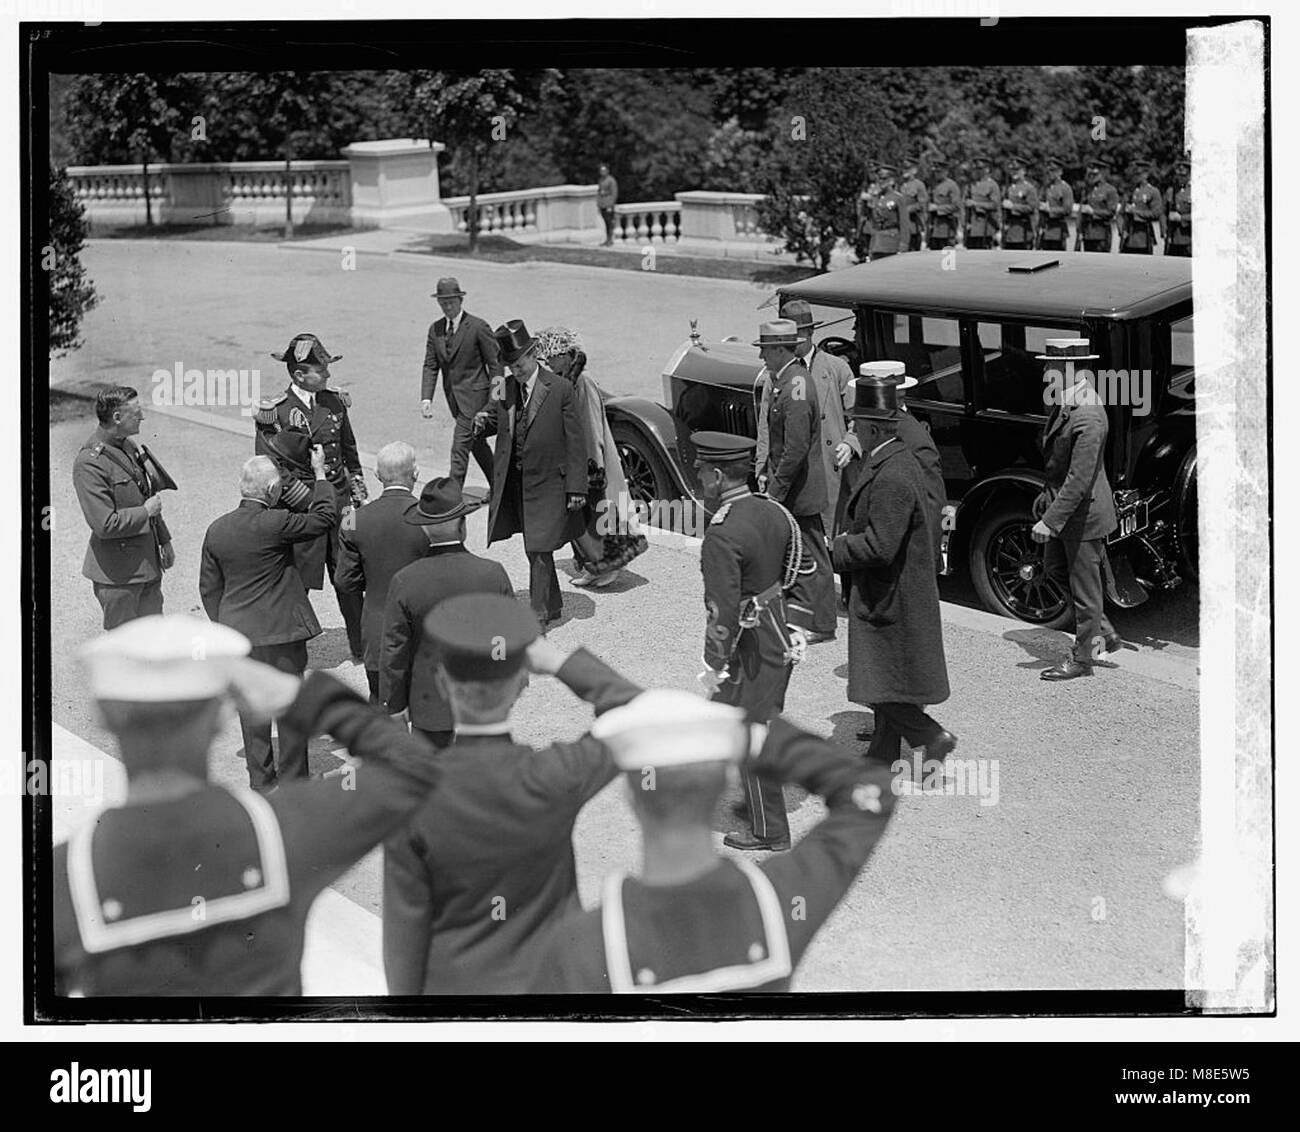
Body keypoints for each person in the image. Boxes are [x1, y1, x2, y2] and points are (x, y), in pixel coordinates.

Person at [53, 614, 446, 997]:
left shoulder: (60, 877)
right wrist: (297, 694)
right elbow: (413, 769)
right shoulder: (284, 832)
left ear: (102, 717)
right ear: (222, 717)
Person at [530, 689, 898, 993]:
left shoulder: (580, 948)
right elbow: (872, 790)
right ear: (726, 782)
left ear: (629, 796)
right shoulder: (779, 904)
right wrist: (753, 738)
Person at [381, 594, 642, 994]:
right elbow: (637, 712)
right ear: (522, 682)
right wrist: (556, 662)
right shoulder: (554, 775)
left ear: (442, 683)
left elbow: (404, 937)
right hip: (552, 990)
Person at [694, 431, 815, 852]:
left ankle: (770, 830)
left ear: (714, 476)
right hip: (777, 627)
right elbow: (806, 567)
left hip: (751, 640)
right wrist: (797, 624)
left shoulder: (722, 533)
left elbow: (721, 609)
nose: (698, 481)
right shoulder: (774, 511)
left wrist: (714, 661)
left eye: (700, 473)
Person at [831, 377, 956, 770]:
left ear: (871, 428)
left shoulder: (891, 474)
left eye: (856, 425)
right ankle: (882, 756)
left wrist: (833, 548)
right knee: (889, 675)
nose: (853, 431)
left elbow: (879, 546)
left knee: (877, 680)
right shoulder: (895, 459)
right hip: (894, 590)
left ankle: (930, 736)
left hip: (891, 593)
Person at [199, 453, 336, 791]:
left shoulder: (217, 529)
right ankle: (293, 781)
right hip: (282, 632)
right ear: (273, 489)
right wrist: (319, 474)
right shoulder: (277, 522)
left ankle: (261, 781)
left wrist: (227, 625)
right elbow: (325, 517)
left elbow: (208, 587)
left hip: (239, 633)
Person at [254, 332, 366, 661]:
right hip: (302, 508)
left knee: (350, 575)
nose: (328, 374)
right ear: (300, 374)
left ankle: (361, 646)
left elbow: (348, 448)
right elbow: (272, 465)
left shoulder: (334, 401)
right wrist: (309, 501)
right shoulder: (275, 411)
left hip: (343, 505)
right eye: (322, 369)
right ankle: (289, 649)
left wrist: (357, 481)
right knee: (298, 579)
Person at [379, 479, 513, 749]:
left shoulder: (406, 581)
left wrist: (394, 705)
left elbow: (394, 651)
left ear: (425, 530)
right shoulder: (492, 573)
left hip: (428, 702)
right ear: (463, 526)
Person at [473, 319, 587, 626]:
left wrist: (577, 488)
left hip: (551, 483)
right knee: (534, 547)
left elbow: (577, 442)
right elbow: (499, 422)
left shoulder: (561, 388)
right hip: (518, 484)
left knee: (538, 548)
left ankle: (536, 618)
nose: (516, 370)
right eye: (510, 365)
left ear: (534, 353)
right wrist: (483, 420)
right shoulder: (507, 388)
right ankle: (553, 605)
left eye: (520, 363)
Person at [1032, 339, 1121, 680]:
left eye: (1049, 365)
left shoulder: (1088, 414)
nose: (1044, 371)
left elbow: (1079, 479)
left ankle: (1083, 660)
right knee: (1055, 570)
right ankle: (1104, 632)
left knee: (1085, 593)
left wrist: (1050, 522)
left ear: (1067, 370)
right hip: (1066, 510)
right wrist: (1047, 500)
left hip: (1083, 516)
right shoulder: (1068, 401)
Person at [534, 325, 648, 587]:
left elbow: (590, 424)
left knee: (600, 512)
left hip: (590, 460)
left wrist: (593, 464)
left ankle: (607, 565)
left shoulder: (582, 383)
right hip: (579, 459)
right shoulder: (567, 382)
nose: (548, 362)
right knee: (587, 516)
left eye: (552, 357)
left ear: (566, 355)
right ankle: (596, 565)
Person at [752, 319, 832, 644]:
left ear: (781, 349)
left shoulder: (795, 385)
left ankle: (821, 624)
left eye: (766, 351)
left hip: (799, 490)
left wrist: (775, 491)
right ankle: (806, 618)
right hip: (793, 487)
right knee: (800, 554)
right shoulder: (785, 379)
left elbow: (795, 448)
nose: (762, 358)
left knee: (812, 554)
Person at [335, 442, 432, 703]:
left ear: (377, 476)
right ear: (416, 473)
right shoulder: (430, 517)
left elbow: (345, 581)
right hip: (427, 632)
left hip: (379, 629)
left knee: (383, 706)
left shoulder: (355, 520)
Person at [72, 386, 174, 629]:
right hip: (118, 578)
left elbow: (145, 495)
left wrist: (164, 539)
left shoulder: (128, 446)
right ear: (117, 418)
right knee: (124, 652)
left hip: (148, 567)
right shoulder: (89, 464)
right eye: (136, 412)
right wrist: (146, 512)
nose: (142, 417)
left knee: (153, 644)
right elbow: (104, 524)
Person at [419, 277, 501, 488]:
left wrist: (495, 401)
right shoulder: (435, 329)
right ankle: (500, 487)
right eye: (443, 302)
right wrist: (426, 398)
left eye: (451, 302)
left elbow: (496, 366)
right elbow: (430, 365)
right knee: (476, 444)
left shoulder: (477, 326)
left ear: (460, 300)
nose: (447, 307)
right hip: (455, 401)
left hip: (477, 400)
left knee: (459, 449)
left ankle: (452, 498)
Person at [1120, 158, 1164, 255]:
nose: (1135, 177)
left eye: (1138, 174)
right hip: (1128, 236)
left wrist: (1135, 212)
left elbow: (1156, 213)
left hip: (1143, 236)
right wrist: (1121, 230)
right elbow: (1121, 213)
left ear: (1146, 175)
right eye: (1134, 174)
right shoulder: (1129, 190)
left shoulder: (1153, 191)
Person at [867, 163, 907, 260]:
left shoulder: (898, 198)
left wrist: (903, 245)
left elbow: (904, 223)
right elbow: (873, 223)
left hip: (892, 242)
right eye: (879, 179)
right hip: (877, 242)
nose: (880, 181)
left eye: (884, 179)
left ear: (891, 180)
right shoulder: (876, 198)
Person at [1078, 158, 1119, 253]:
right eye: (1090, 174)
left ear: (1102, 174)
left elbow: (1111, 212)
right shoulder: (1087, 190)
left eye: (1095, 174)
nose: (1092, 177)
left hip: (1101, 234)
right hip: (1088, 233)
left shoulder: (1110, 190)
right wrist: (1080, 231)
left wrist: (1093, 212)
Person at [1001, 155, 1039, 250]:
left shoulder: (1029, 188)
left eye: (1017, 170)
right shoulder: (1008, 188)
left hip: (1023, 231)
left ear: (1024, 171)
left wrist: (1013, 206)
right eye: (1013, 170)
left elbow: (1031, 208)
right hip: (1009, 232)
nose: (1014, 172)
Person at [1037, 157, 1075, 251]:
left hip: (1058, 230)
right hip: (1046, 229)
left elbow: (1068, 210)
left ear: (1060, 172)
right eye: (1049, 171)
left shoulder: (1065, 188)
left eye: (1053, 170)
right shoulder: (1046, 187)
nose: (1050, 173)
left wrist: (1050, 210)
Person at [964, 156, 1001, 248]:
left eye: (980, 168)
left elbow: (995, 205)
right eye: (976, 168)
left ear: (987, 170)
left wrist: (976, 204)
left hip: (986, 227)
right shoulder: (971, 185)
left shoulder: (992, 185)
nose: (977, 171)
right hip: (972, 227)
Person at [927, 157, 962, 249]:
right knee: (934, 258)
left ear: (945, 172)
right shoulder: (933, 185)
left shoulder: (952, 185)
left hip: (947, 227)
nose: (936, 174)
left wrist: (937, 208)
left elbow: (956, 206)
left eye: (939, 172)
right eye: (935, 172)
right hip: (934, 228)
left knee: (947, 260)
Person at [898, 157, 929, 251]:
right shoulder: (899, 185)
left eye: (907, 168)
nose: (904, 171)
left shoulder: (919, 185)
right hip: (900, 227)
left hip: (913, 226)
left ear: (914, 170)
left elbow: (923, 205)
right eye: (903, 168)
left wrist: (908, 209)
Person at [1164, 157, 1192, 257]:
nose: (1181, 178)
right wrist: (1165, 231)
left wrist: (1181, 218)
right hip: (1173, 238)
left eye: (1184, 175)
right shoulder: (1171, 191)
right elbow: (1163, 212)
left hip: (1189, 239)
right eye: (1179, 175)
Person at [597, 163, 619, 246]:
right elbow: (599, 192)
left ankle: (610, 239)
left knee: (610, 222)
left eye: (604, 170)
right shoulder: (600, 180)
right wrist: (599, 203)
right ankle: (607, 239)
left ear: (607, 171)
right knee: (606, 222)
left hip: (609, 203)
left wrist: (611, 204)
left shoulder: (611, 180)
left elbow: (614, 193)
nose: (602, 172)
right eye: (601, 171)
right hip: (603, 204)